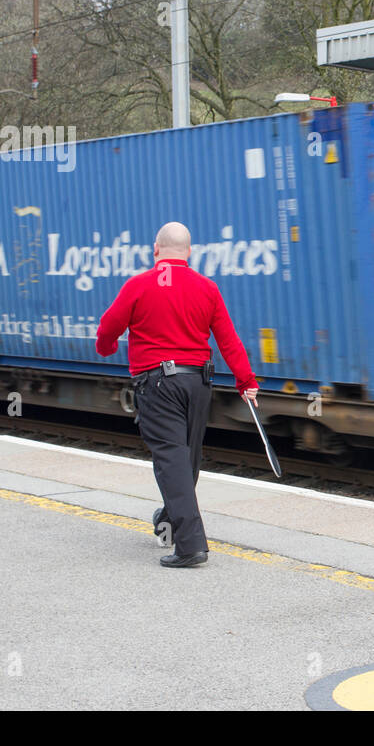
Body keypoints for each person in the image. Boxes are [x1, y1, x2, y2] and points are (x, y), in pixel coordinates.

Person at [95, 222, 259, 568]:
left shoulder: (138, 285)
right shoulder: (207, 287)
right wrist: (246, 382)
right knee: (187, 460)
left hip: (157, 383)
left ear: (156, 250)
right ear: (190, 252)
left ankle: (190, 546)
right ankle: (169, 519)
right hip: (198, 383)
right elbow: (228, 340)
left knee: (171, 459)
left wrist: (106, 347)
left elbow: (109, 327)